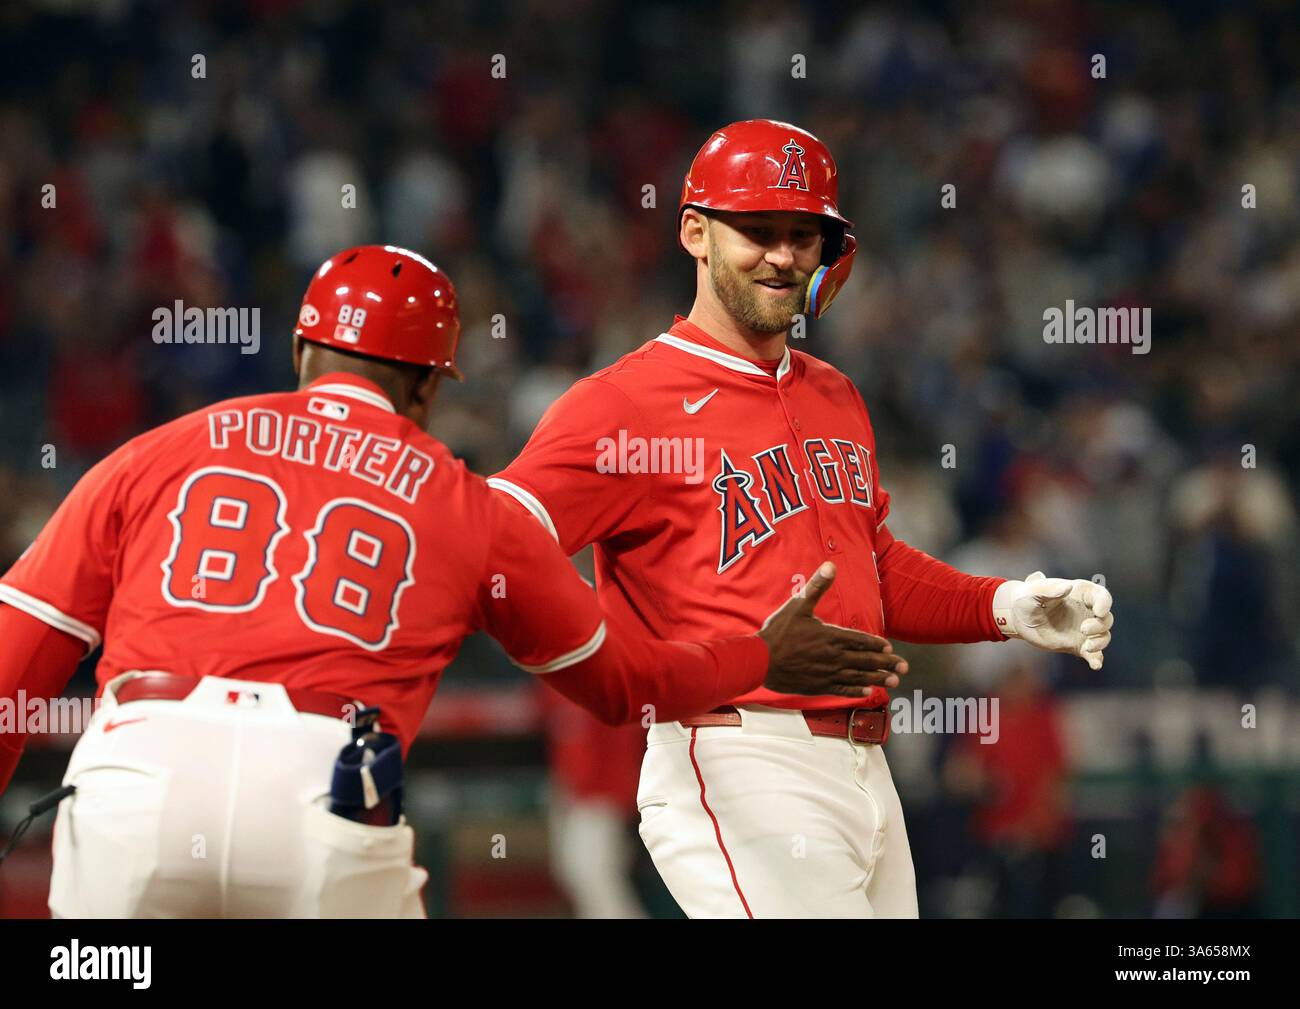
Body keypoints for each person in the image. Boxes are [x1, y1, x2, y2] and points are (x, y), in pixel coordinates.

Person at [0, 244, 905, 918]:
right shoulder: (469, 505)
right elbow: (627, 684)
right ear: (432, 386)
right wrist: (759, 650)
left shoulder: (159, 451)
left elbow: (15, 662)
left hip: (138, 774)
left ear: (302, 352)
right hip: (327, 792)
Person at [490, 121, 1115, 918]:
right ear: (694, 231)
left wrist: (1004, 607)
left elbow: (875, 561)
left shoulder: (836, 393)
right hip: (736, 752)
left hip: (867, 768)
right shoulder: (623, 403)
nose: (782, 256)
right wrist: (627, 668)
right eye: (756, 231)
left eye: (802, 234)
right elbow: (499, 538)